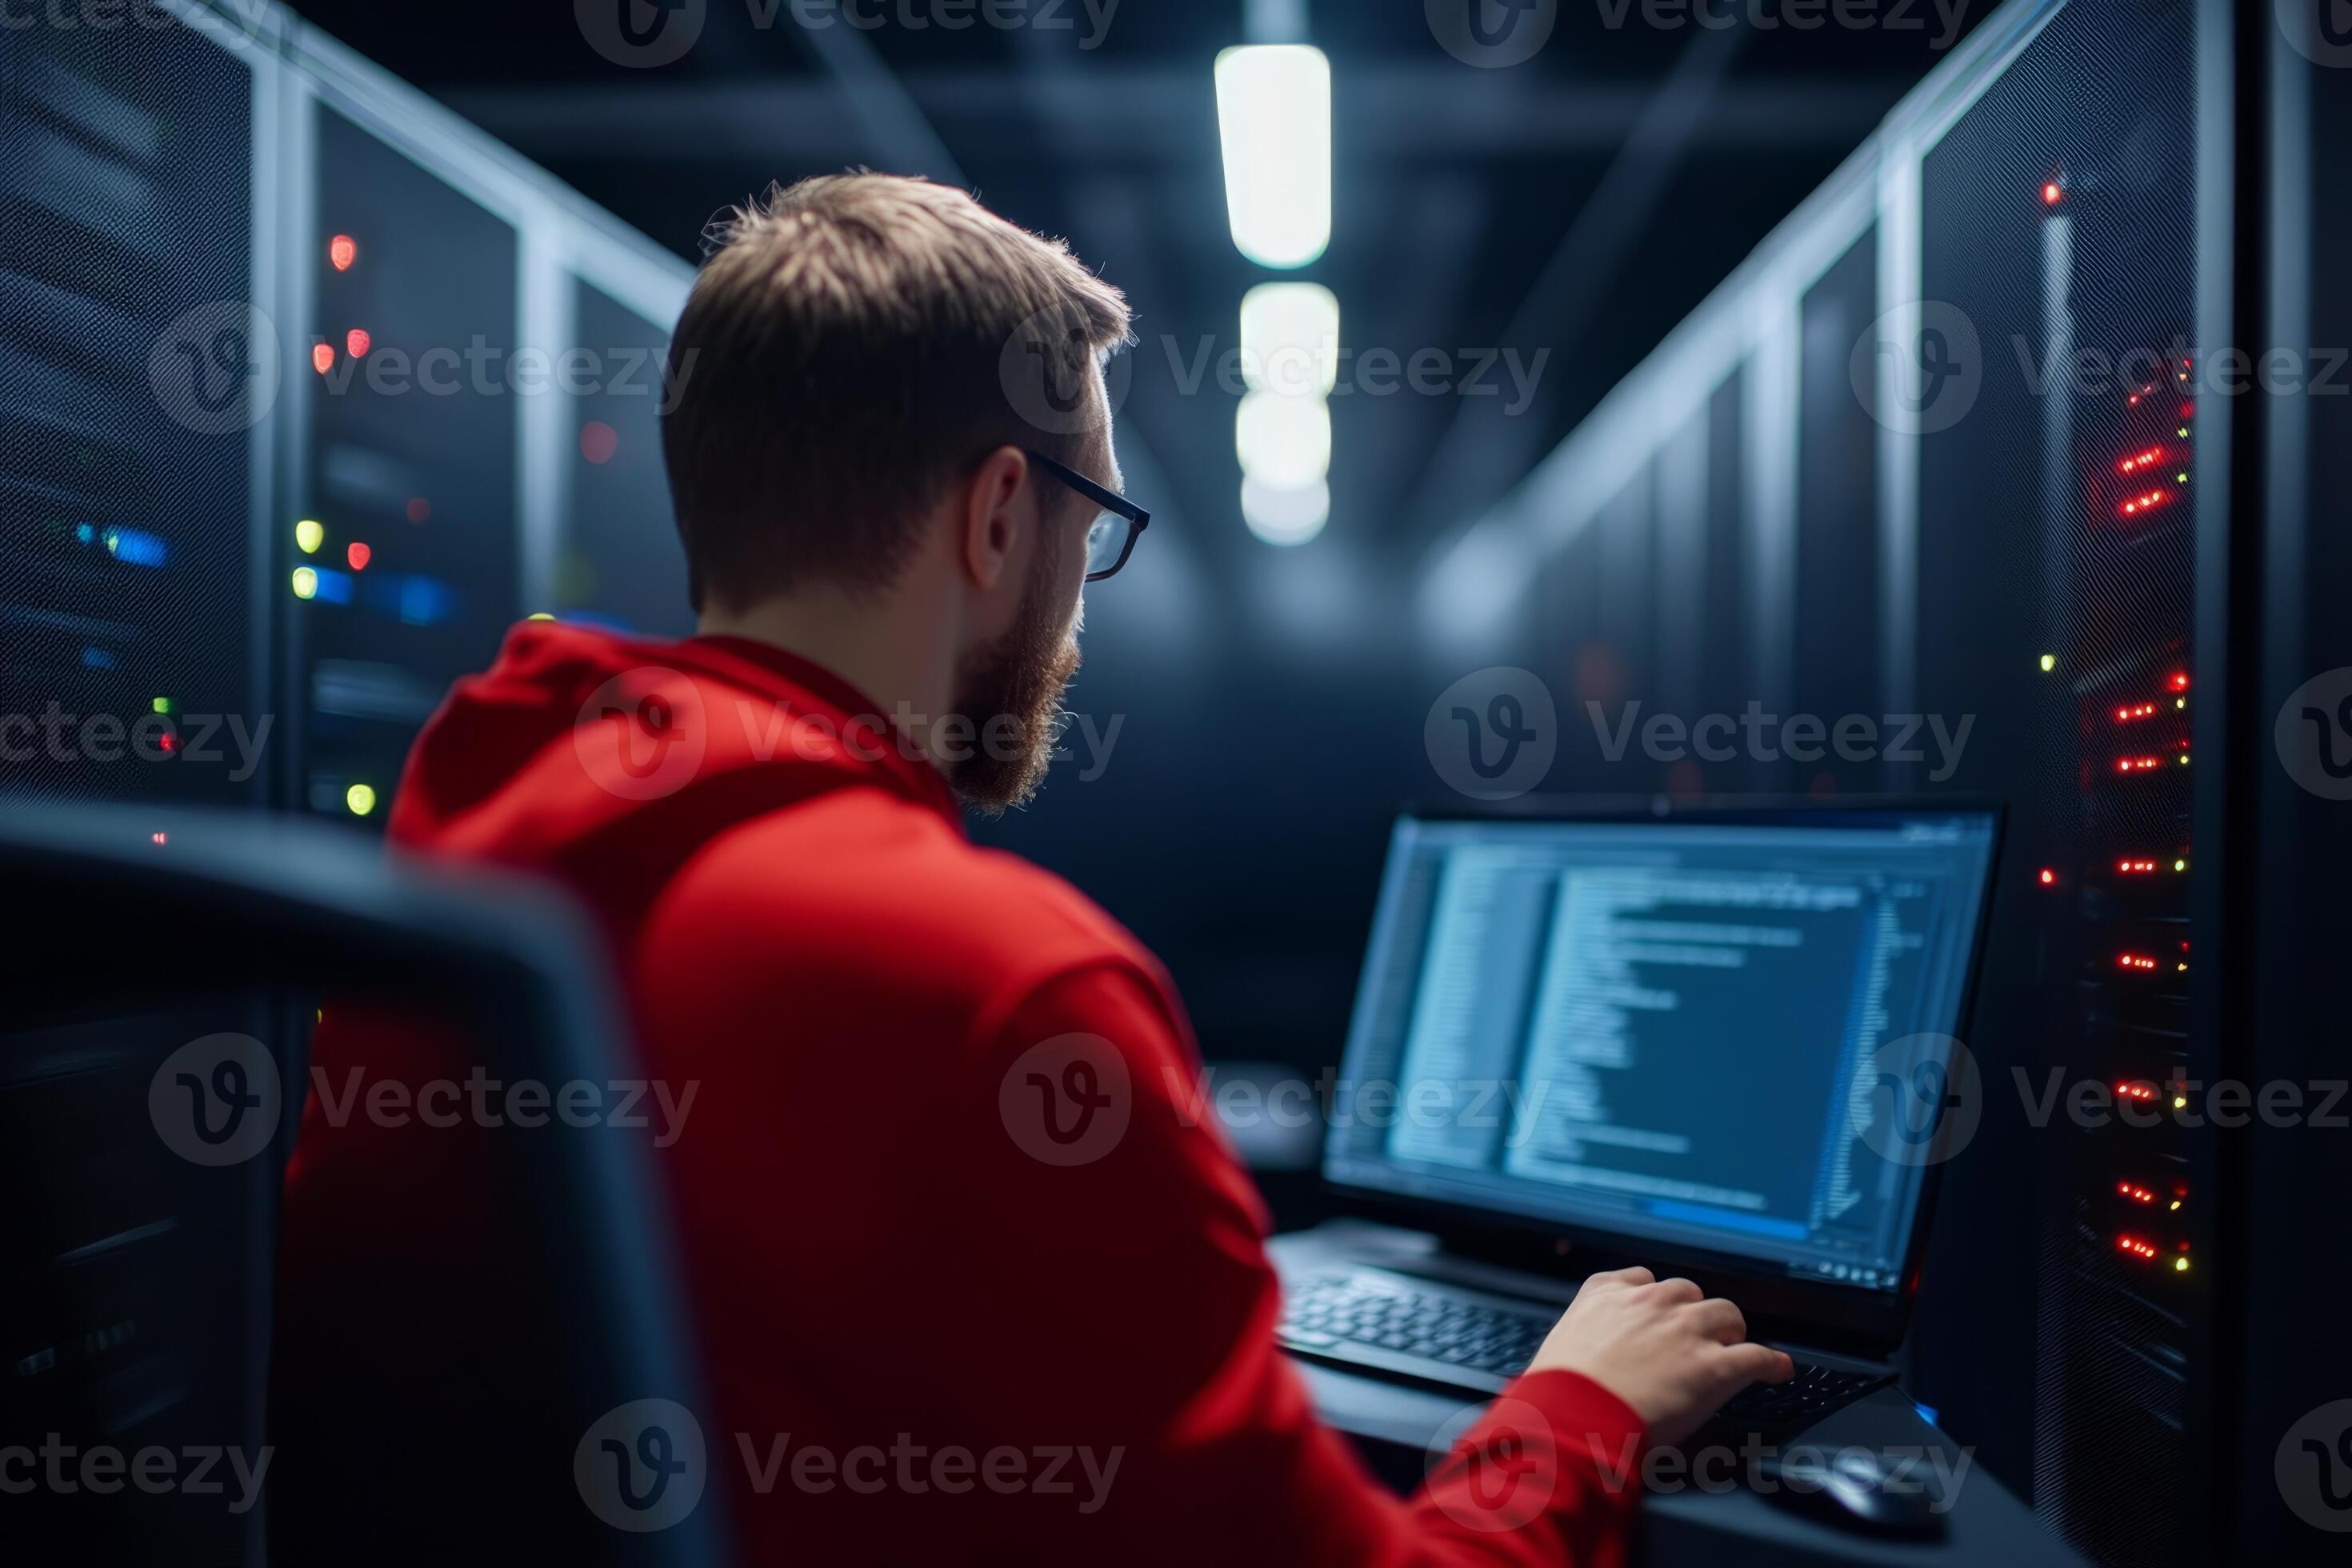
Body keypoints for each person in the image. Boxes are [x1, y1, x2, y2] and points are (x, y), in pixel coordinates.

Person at [272, 173, 1792, 1565]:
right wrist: (1583, 1406)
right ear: (1001, 514)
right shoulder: (1004, 980)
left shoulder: (469, 852)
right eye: (1095, 521)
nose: (1080, 600)